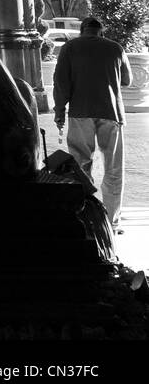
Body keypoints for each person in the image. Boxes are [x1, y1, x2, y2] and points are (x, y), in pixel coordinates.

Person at [54, 16, 131, 232]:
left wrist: (59, 111)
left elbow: (61, 83)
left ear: (82, 31)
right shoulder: (116, 48)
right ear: (101, 31)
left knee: (80, 165)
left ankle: (86, 219)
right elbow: (127, 81)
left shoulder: (69, 48)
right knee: (113, 167)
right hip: (111, 113)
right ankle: (111, 222)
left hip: (80, 113)